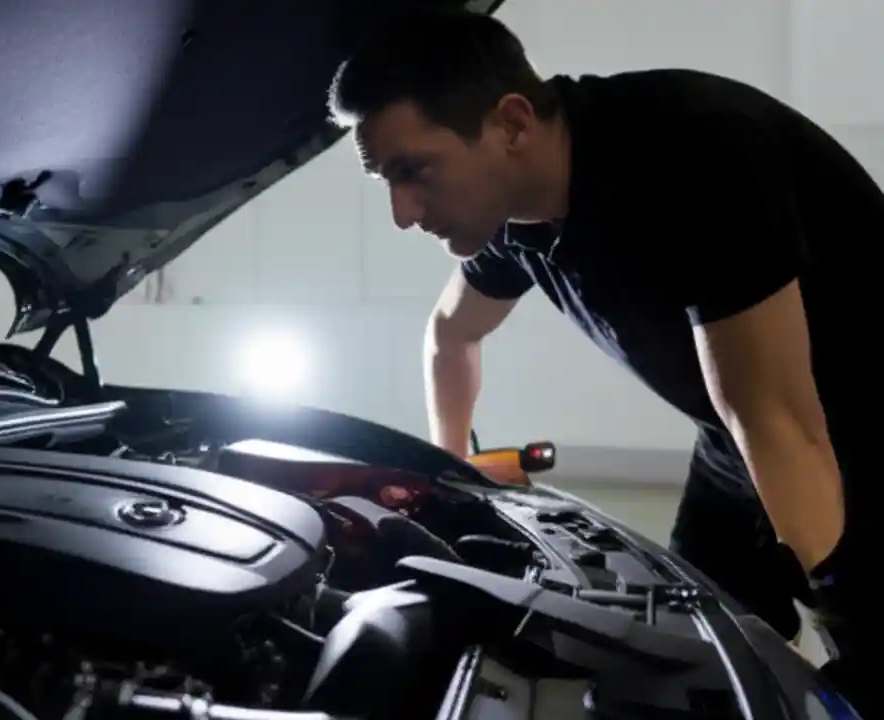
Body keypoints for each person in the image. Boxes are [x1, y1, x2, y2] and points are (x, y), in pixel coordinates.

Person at [326, 5, 873, 714]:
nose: (402, 212)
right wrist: (451, 476)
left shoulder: (694, 152)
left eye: (414, 171)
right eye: (386, 183)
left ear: (513, 124)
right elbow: (451, 335)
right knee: (696, 664)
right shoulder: (512, 216)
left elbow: (777, 419)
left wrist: (846, 618)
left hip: (854, 431)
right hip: (735, 446)